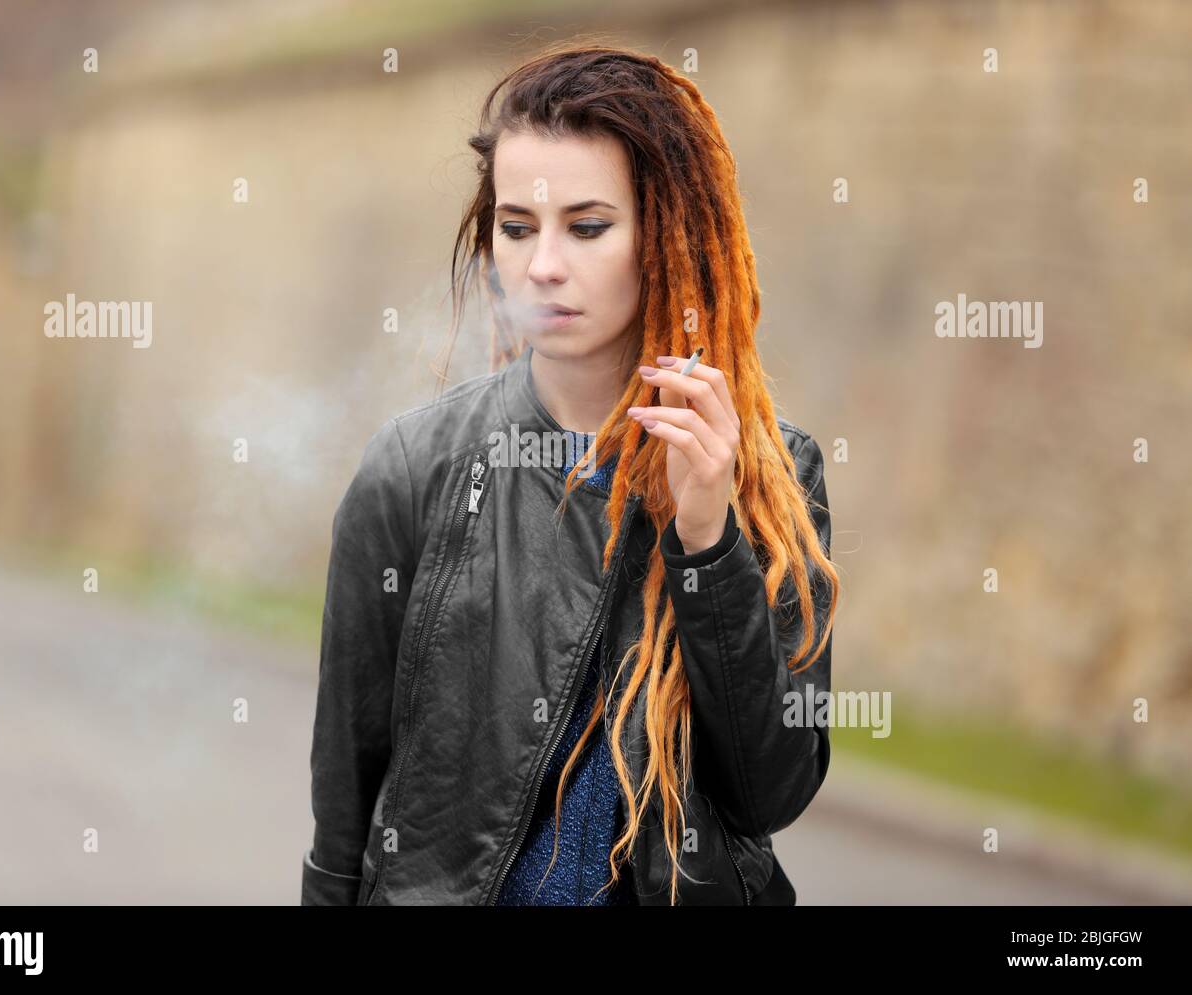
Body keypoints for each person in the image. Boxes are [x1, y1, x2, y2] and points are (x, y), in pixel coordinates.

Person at [302, 42, 840, 907]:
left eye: (587, 227)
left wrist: (707, 540)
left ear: (664, 233)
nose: (543, 265)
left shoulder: (773, 471)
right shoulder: (411, 471)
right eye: (517, 227)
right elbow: (342, 826)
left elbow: (768, 792)